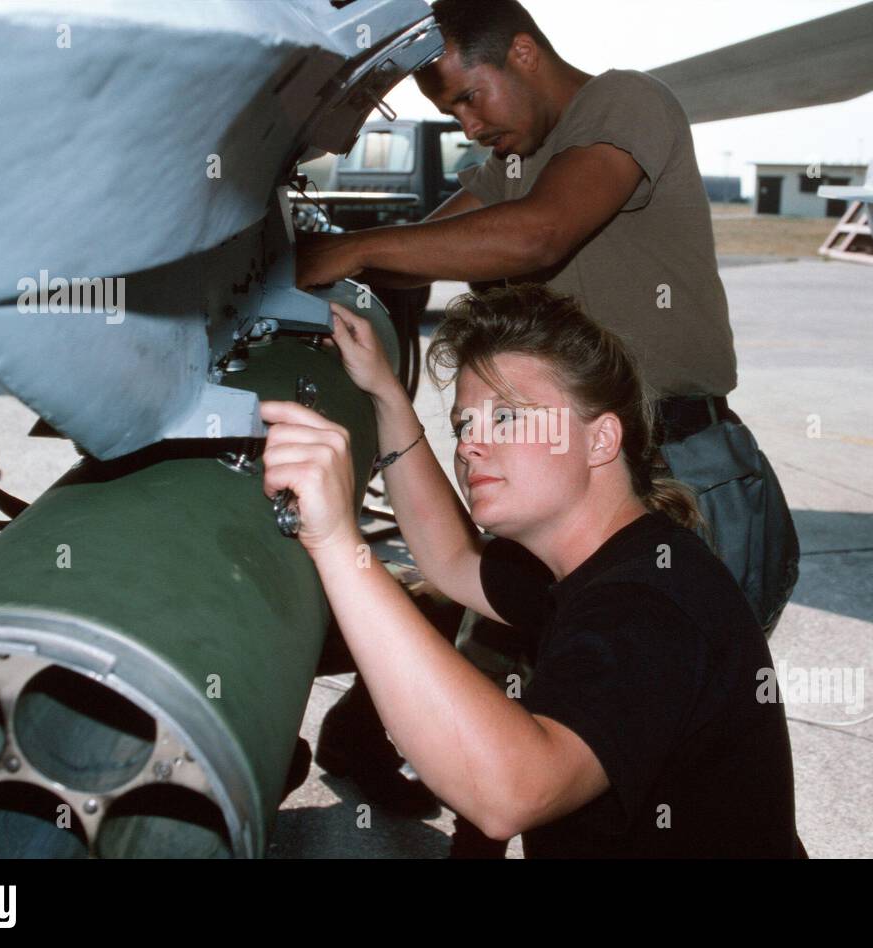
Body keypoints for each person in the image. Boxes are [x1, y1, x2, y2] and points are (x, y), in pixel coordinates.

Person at [295, 0, 798, 837]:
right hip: (578, 478)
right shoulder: (516, 165)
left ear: (522, 52)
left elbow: (538, 238)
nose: (466, 123)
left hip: (682, 462)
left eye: (467, 97)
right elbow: (438, 241)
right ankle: (376, 747)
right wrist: (362, 331)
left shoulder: (623, 105)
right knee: (520, 674)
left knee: (644, 727)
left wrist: (350, 249)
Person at [260, 285, 802, 858]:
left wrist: (336, 541)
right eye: (465, 425)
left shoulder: (649, 605)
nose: (471, 446)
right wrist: (388, 397)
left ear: (600, 439)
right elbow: (452, 562)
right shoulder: (605, 562)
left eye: (509, 417)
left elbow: (511, 794)